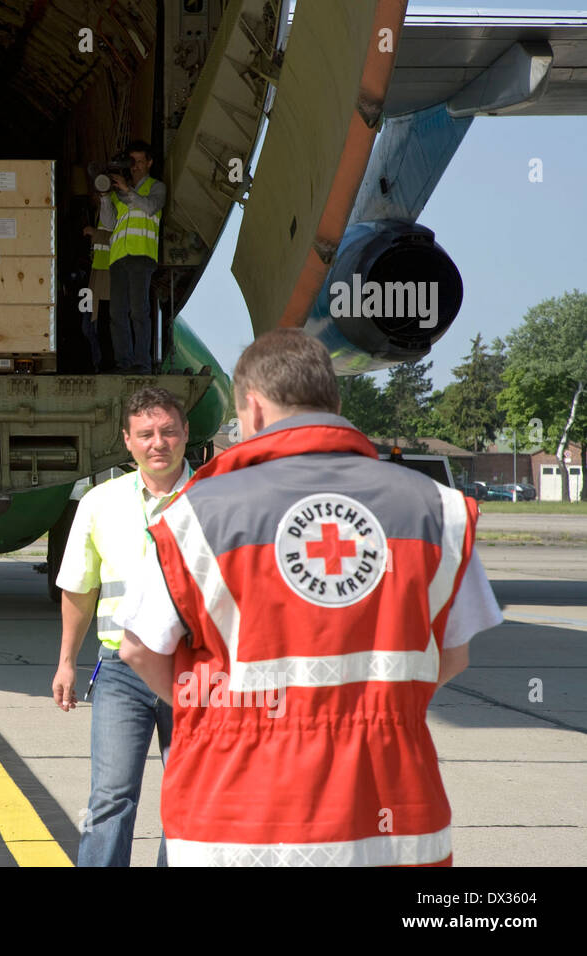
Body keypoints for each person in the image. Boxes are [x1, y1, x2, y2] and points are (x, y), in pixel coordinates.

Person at [116, 328, 504, 866]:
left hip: (238, 817)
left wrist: (218, 711)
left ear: (251, 407)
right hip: (393, 816)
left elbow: (137, 649)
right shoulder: (438, 510)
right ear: (335, 404)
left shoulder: (194, 515)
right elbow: (454, 655)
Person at [52, 387, 191, 866]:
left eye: (169, 431)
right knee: (110, 800)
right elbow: (79, 587)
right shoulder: (99, 502)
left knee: (189, 801)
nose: (159, 443)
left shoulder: (212, 499)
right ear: (127, 441)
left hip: (193, 672)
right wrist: (67, 661)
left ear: (185, 434)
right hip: (119, 673)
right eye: (146, 434)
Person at [101, 140, 165, 374]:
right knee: (117, 313)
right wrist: (105, 197)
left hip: (141, 255)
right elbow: (108, 224)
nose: (135, 166)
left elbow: (150, 208)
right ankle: (124, 363)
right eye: (132, 162)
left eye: (140, 161)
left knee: (139, 311)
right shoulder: (120, 192)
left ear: (149, 162)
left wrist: (128, 190)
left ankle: (142, 363)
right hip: (118, 257)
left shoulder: (157, 188)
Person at [81, 202, 112, 373]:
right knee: (87, 326)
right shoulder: (99, 210)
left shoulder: (114, 205)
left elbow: (120, 238)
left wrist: (95, 233)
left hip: (106, 279)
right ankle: (97, 364)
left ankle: (100, 365)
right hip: (94, 278)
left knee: (97, 327)